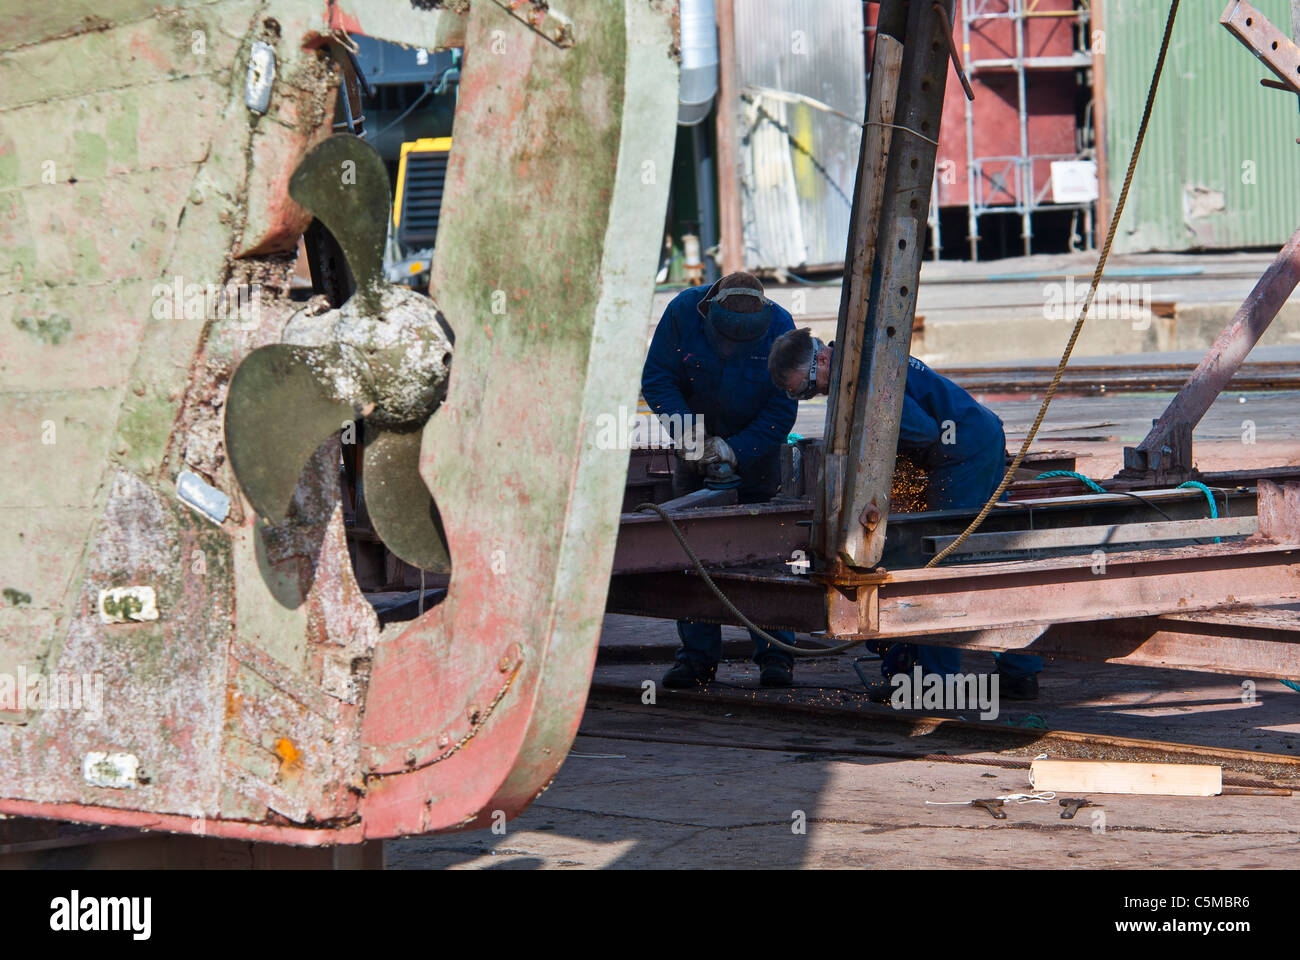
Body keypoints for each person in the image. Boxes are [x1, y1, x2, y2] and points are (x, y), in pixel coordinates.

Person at [767, 327, 1042, 700]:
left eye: (808, 387)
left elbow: (922, 432)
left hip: (962, 454)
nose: (815, 395)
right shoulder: (861, 357)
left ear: (823, 359)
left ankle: (936, 683)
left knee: (934, 565)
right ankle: (1018, 672)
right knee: (995, 555)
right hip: (978, 434)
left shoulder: (864, 378)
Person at [641, 272, 800, 689]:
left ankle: (776, 655)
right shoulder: (682, 313)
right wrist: (695, 442)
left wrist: (735, 449)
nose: (731, 349)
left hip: (756, 455)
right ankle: (696, 660)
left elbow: (782, 409)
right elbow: (658, 378)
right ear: (708, 313)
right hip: (694, 451)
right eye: (725, 340)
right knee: (690, 556)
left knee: (764, 556)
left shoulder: (780, 328)